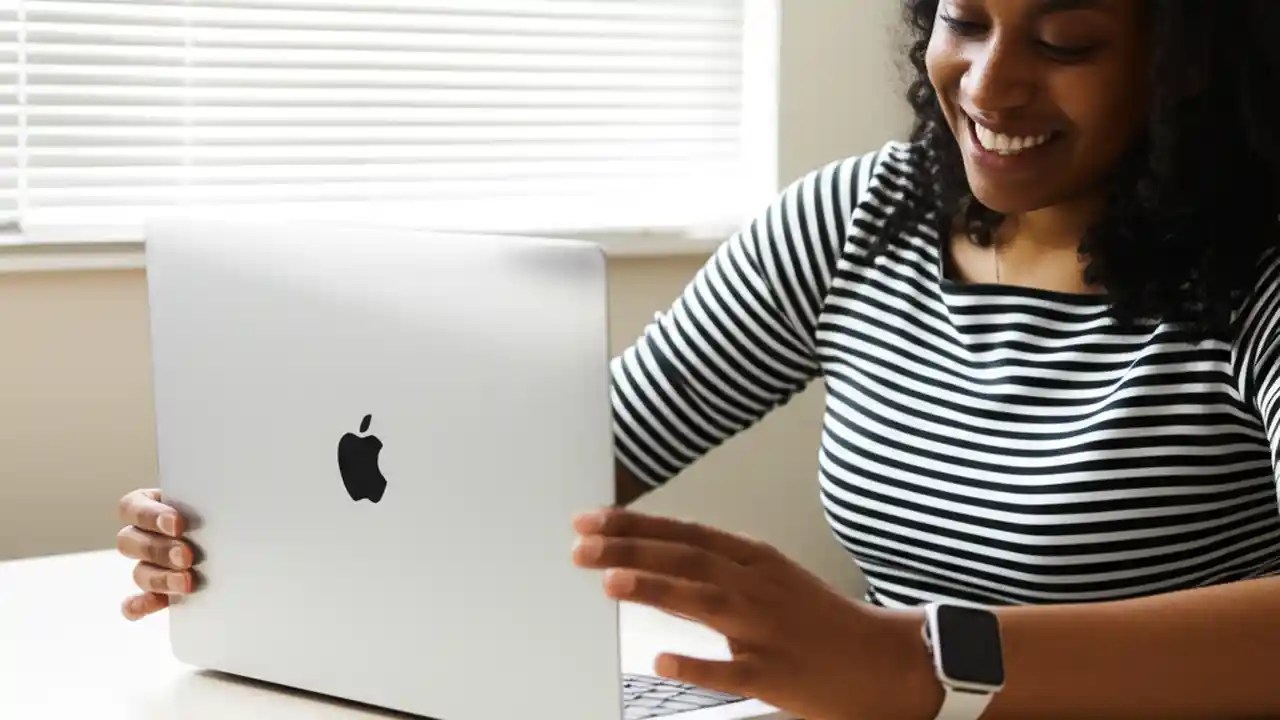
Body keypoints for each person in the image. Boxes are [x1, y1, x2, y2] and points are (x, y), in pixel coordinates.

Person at [114, 1, 1280, 718]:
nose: (987, 88)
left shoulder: (1254, 270)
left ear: (1188, 60)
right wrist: (260, 533)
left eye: (1064, 40)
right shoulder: (863, 218)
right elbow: (573, 463)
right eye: (964, 20)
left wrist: (914, 664)